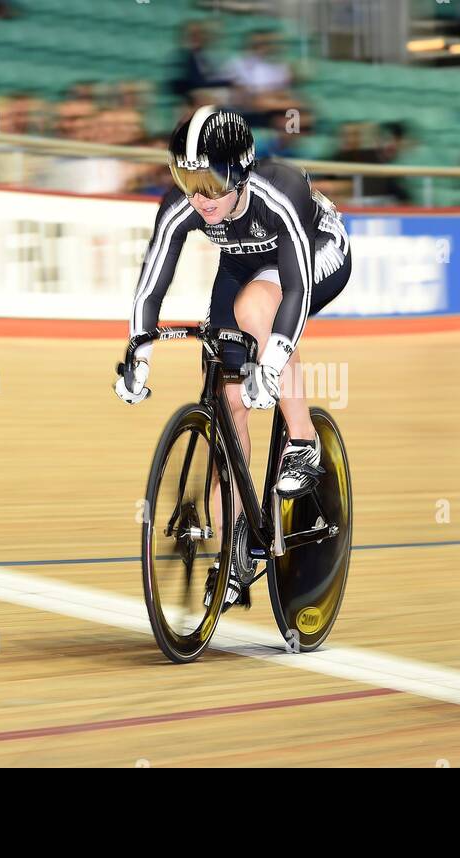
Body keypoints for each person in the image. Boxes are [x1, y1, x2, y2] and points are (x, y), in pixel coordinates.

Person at [115, 105, 352, 608]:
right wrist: (137, 352)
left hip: (314, 251)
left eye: (211, 181)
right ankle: (237, 555)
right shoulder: (186, 205)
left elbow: (295, 289)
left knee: (254, 309)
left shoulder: (279, 189)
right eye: (186, 178)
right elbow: (152, 281)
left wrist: (273, 360)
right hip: (242, 259)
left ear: (242, 172)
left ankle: (304, 443)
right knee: (229, 402)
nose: (198, 197)